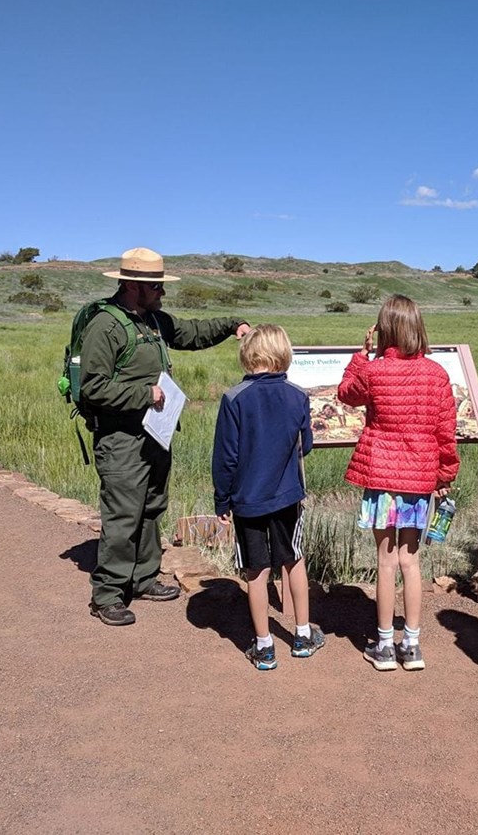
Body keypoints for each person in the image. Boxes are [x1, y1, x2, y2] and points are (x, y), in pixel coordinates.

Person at [84, 247, 250, 626]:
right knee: (123, 515)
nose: (162, 291)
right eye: (155, 286)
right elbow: (93, 389)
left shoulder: (153, 321)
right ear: (131, 285)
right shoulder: (105, 326)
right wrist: (144, 394)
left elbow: (191, 332)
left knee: (151, 508)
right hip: (121, 439)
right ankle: (108, 594)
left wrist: (231, 325)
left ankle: (143, 578)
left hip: (153, 436)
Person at [338, 295, 459, 671]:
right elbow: (446, 430)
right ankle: (413, 645)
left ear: (384, 330)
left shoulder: (374, 371)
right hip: (419, 479)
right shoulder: (437, 374)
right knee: (411, 561)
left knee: (385, 562)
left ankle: (385, 644)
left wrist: (361, 355)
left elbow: (346, 394)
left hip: (381, 477)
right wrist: (445, 474)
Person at [212, 324, 323, 670]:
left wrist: (222, 499)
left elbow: (225, 457)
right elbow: (307, 443)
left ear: (247, 354)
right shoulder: (298, 395)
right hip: (288, 496)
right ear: (283, 354)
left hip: (247, 500)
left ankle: (264, 646)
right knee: (294, 560)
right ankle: (303, 635)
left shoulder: (234, 399)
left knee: (256, 570)